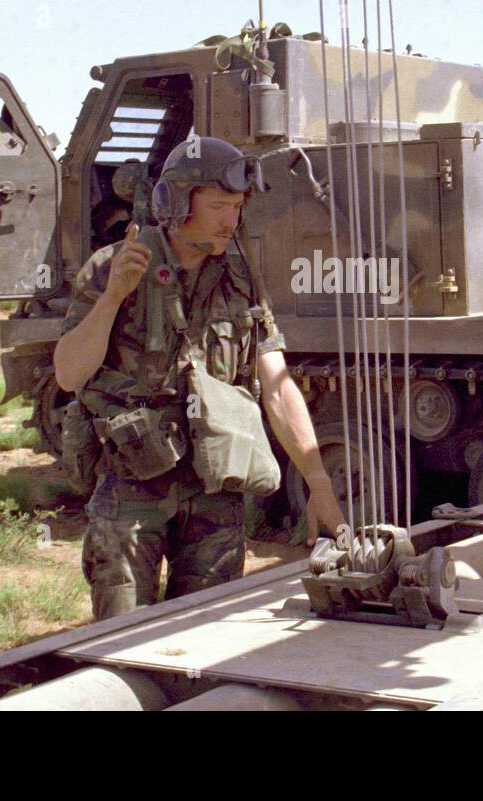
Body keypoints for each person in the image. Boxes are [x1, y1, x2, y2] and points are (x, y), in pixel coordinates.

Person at [53, 136, 347, 620]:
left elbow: (276, 384)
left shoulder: (240, 277)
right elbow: (68, 373)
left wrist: (318, 482)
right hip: (132, 487)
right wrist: (112, 299)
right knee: (123, 635)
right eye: (216, 206)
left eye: (236, 206)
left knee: (207, 633)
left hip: (216, 492)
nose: (230, 220)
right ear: (173, 202)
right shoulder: (116, 266)